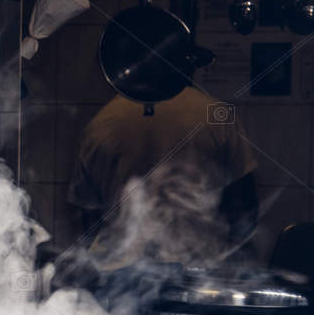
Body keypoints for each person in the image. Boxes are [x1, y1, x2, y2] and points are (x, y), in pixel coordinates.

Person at [68, 84, 259, 267]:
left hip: (120, 272)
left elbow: (87, 214)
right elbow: (243, 205)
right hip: (197, 271)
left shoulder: (101, 123)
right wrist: (228, 261)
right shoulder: (215, 115)